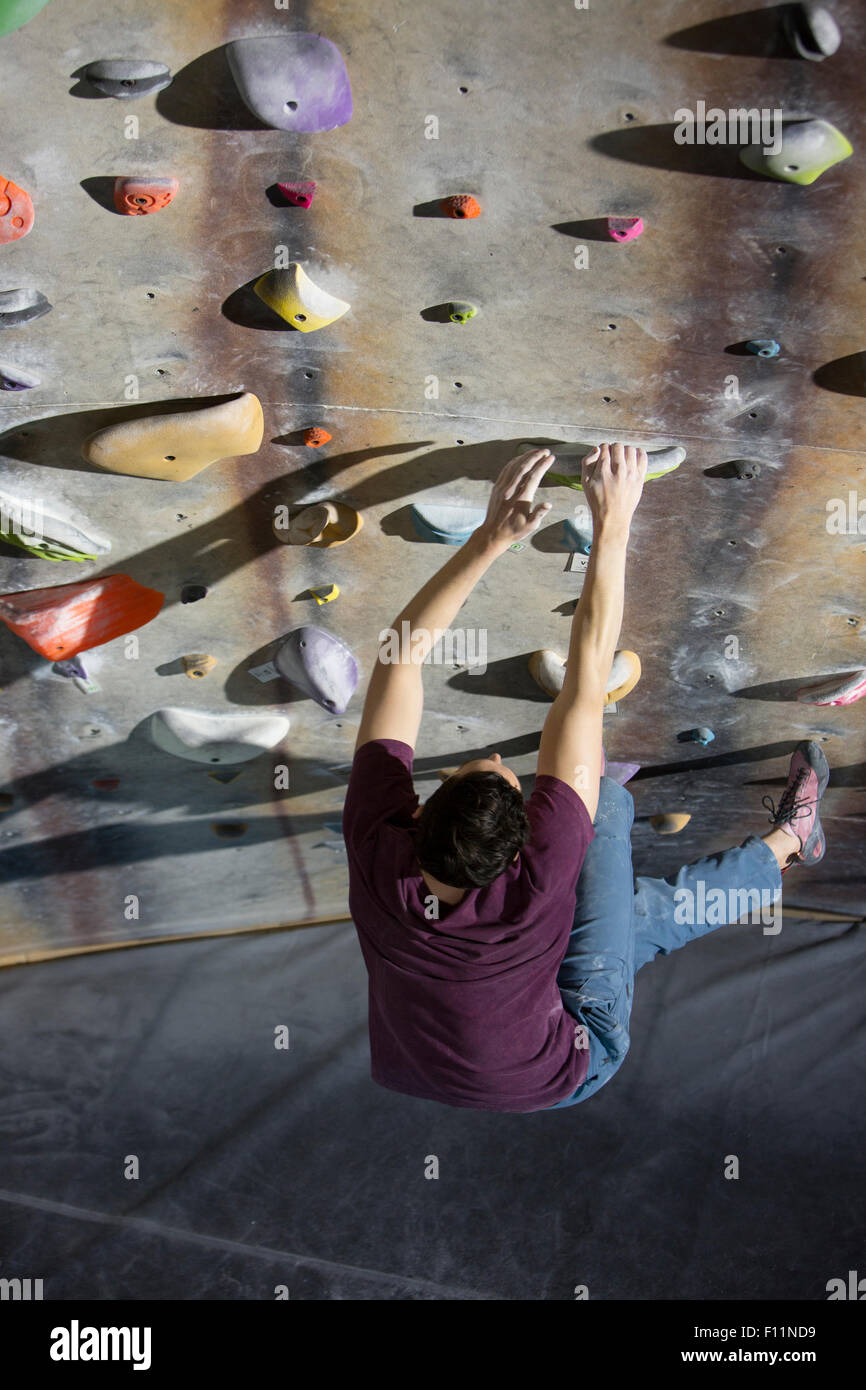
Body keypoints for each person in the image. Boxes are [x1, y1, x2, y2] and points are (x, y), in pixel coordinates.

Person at [342, 445, 830, 1111]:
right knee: (604, 823)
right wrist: (613, 518)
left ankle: (785, 848)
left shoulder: (409, 849)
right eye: (515, 779)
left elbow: (565, 681)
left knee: (633, 918)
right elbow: (578, 678)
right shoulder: (488, 869)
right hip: (567, 1060)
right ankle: (781, 840)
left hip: (432, 1060)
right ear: (524, 853)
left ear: (418, 819)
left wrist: (492, 541)